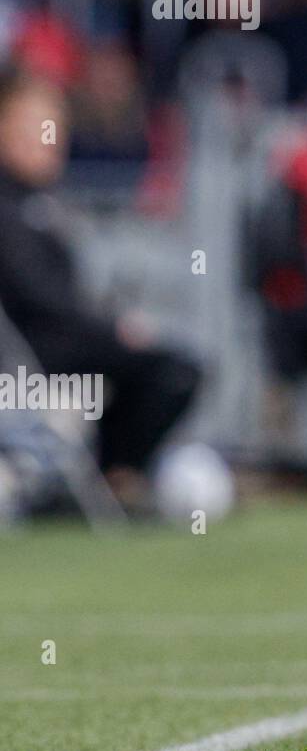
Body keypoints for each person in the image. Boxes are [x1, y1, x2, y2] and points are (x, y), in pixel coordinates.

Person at [0, 67, 201, 511]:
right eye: (31, 128)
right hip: (31, 362)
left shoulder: (44, 204)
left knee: (169, 367)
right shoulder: (9, 209)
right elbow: (40, 301)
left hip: (63, 349)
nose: (47, 141)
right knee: (173, 372)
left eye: (53, 128)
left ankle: (100, 478)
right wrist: (112, 332)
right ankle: (103, 479)